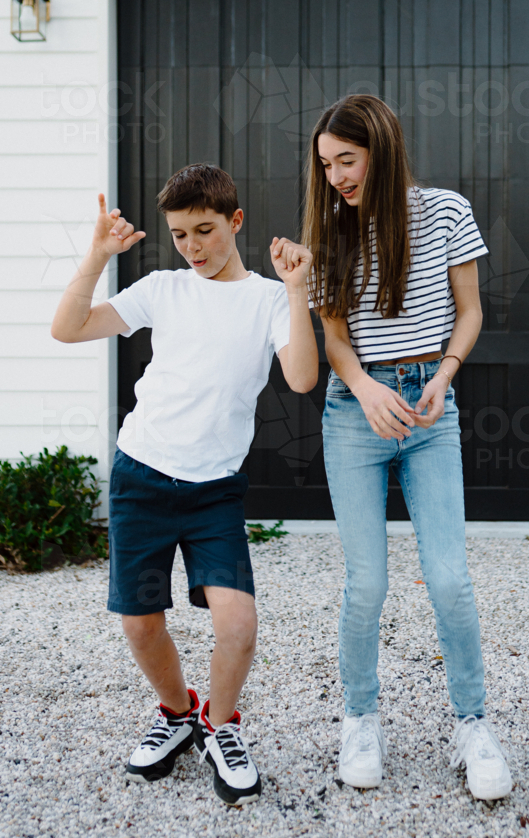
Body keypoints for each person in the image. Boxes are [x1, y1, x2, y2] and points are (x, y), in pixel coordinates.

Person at [51, 164, 318, 806]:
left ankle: (221, 726)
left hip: (213, 492)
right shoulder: (162, 288)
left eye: (205, 230)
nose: (193, 246)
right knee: (141, 625)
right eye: (179, 235)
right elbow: (68, 328)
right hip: (140, 476)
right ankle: (177, 713)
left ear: (236, 221)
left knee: (238, 624)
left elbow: (304, 378)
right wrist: (96, 254)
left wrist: (297, 292)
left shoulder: (266, 300)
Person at [302, 95, 512, 801]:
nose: (334, 176)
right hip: (355, 413)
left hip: (429, 408)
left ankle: (473, 725)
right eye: (326, 164)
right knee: (367, 583)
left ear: (380, 151)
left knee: (448, 577)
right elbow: (333, 337)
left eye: (347, 160)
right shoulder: (330, 229)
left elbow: (470, 308)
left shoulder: (446, 211)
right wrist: (363, 387)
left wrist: (444, 375)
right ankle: (359, 719)